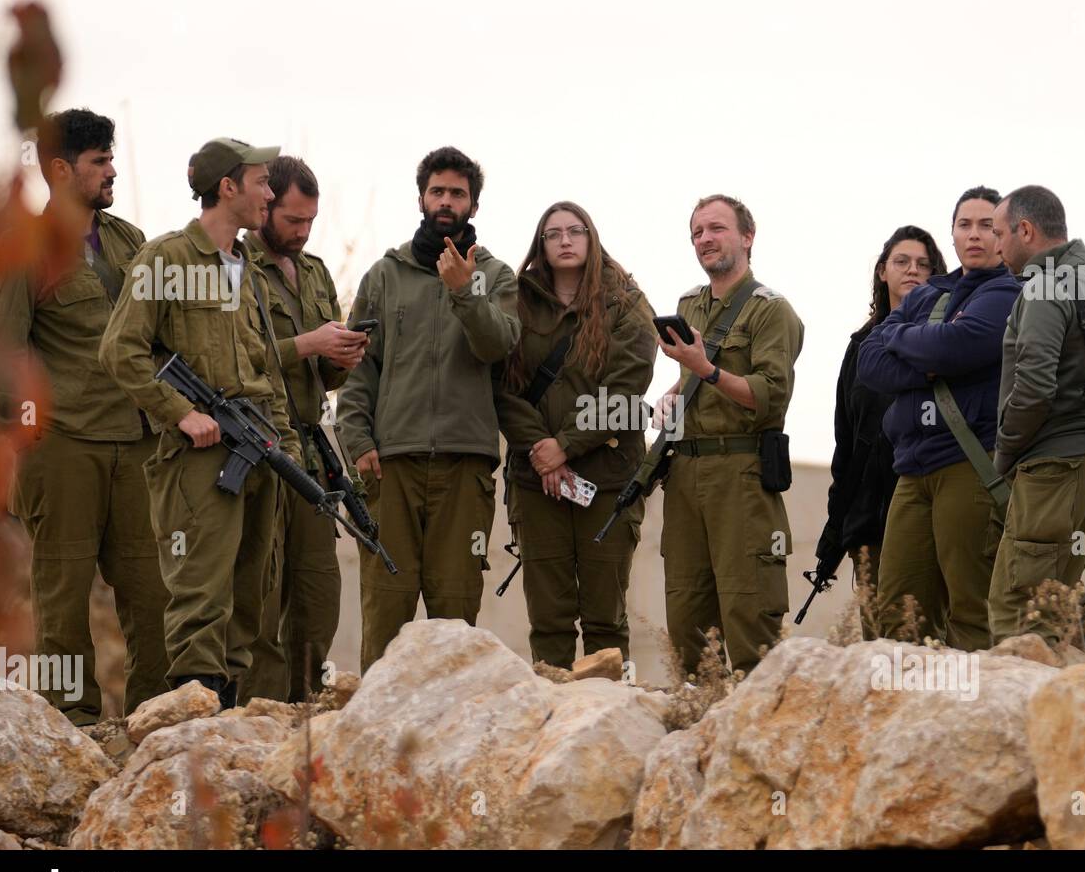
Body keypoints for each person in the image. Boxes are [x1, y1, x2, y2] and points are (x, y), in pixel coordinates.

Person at [0, 108, 168, 723]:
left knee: (152, 591)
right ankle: (75, 725)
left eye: (112, 158)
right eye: (100, 161)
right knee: (62, 598)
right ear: (61, 170)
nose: (112, 171)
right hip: (63, 447)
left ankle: (155, 720)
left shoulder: (130, 242)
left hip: (136, 442)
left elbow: (159, 337)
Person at [100, 137, 300, 708]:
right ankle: (194, 724)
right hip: (199, 458)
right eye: (261, 182)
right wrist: (181, 413)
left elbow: (265, 369)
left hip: (257, 449)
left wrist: (287, 448)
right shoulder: (165, 258)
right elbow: (120, 351)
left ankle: (227, 717)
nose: (270, 194)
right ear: (227, 187)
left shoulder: (250, 271)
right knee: (201, 594)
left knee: (248, 594)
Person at [337, 146, 520, 672]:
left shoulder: (496, 276)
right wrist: (357, 441)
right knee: (385, 610)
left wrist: (464, 293)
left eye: (457, 194)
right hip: (390, 466)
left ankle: (453, 719)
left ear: (473, 206)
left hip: (465, 467)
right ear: (421, 198)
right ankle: (377, 718)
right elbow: (358, 367)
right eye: (437, 191)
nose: (446, 201)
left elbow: (498, 345)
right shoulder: (383, 275)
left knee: (455, 617)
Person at [856, 186, 1019, 650]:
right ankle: (911, 696)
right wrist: (928, 357)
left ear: (1004, 234)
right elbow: (870, 361)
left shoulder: (1008, 292)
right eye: (965, 225)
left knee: (972, 610)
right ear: (952, 233)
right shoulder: (929, 294)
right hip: (912, 467)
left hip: (969, 463)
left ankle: (977, 697)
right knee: (898, 614)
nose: (975, 235)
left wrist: (909, 342)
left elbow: (957, 346)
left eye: (987, 225)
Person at [494, 202, 655, 669]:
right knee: (549, 618)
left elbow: (628, 386)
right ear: (540, 245)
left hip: (607, 478)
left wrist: (563, 446)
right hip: (536, 481)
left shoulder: (626, 302)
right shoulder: (515, 301)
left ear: (591, 237)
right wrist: (541, 450)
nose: (565, 240)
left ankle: (607, 706)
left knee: (605, 618)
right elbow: (501, 386)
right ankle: (554, 705)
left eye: (575, 231)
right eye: (553, 234)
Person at [656, 194, 804, 676]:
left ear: (747, 237)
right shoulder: (688, 306)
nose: (705, 239)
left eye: (717, 228)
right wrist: (673, 394)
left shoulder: (772, 311)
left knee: (748, 611)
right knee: (686, 615)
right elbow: (695, 378)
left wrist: (705, 369)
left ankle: (756, 711)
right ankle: (698, 712)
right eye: (697, 232)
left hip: (741, 472)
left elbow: (769, 396)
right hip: (686, 472)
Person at [242, 156, 368, 702]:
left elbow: (326, 377)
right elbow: (235, 357)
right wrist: (308, 343)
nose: (302, 232)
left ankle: (308, 708)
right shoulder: (235, 267)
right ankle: (260, 711)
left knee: (318, 591)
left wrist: (342, 356)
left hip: (312, 451)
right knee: (262, 594)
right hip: (259, 444)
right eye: (293, 220)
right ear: (266, 206)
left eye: (310, 221)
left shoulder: (313, 271)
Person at [987, 186, 1085, 657]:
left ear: (1026, 230)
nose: (997, 246)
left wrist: (1005, 452)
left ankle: (1030, 715)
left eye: (999, 233)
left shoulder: (1045, 286)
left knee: (1019, 613)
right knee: (1058, 602)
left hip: (1052, 468)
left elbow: (1034, 388)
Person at [813, 225, 947, 593]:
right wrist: (836, 528)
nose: (912, 270)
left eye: (923, 264)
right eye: (901, 261)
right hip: (868, 522)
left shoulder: (949, 339)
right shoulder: (860, 347)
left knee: (931, 626)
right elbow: (846, 444)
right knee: (877, 626)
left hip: (932, 515)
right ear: (882, 271)